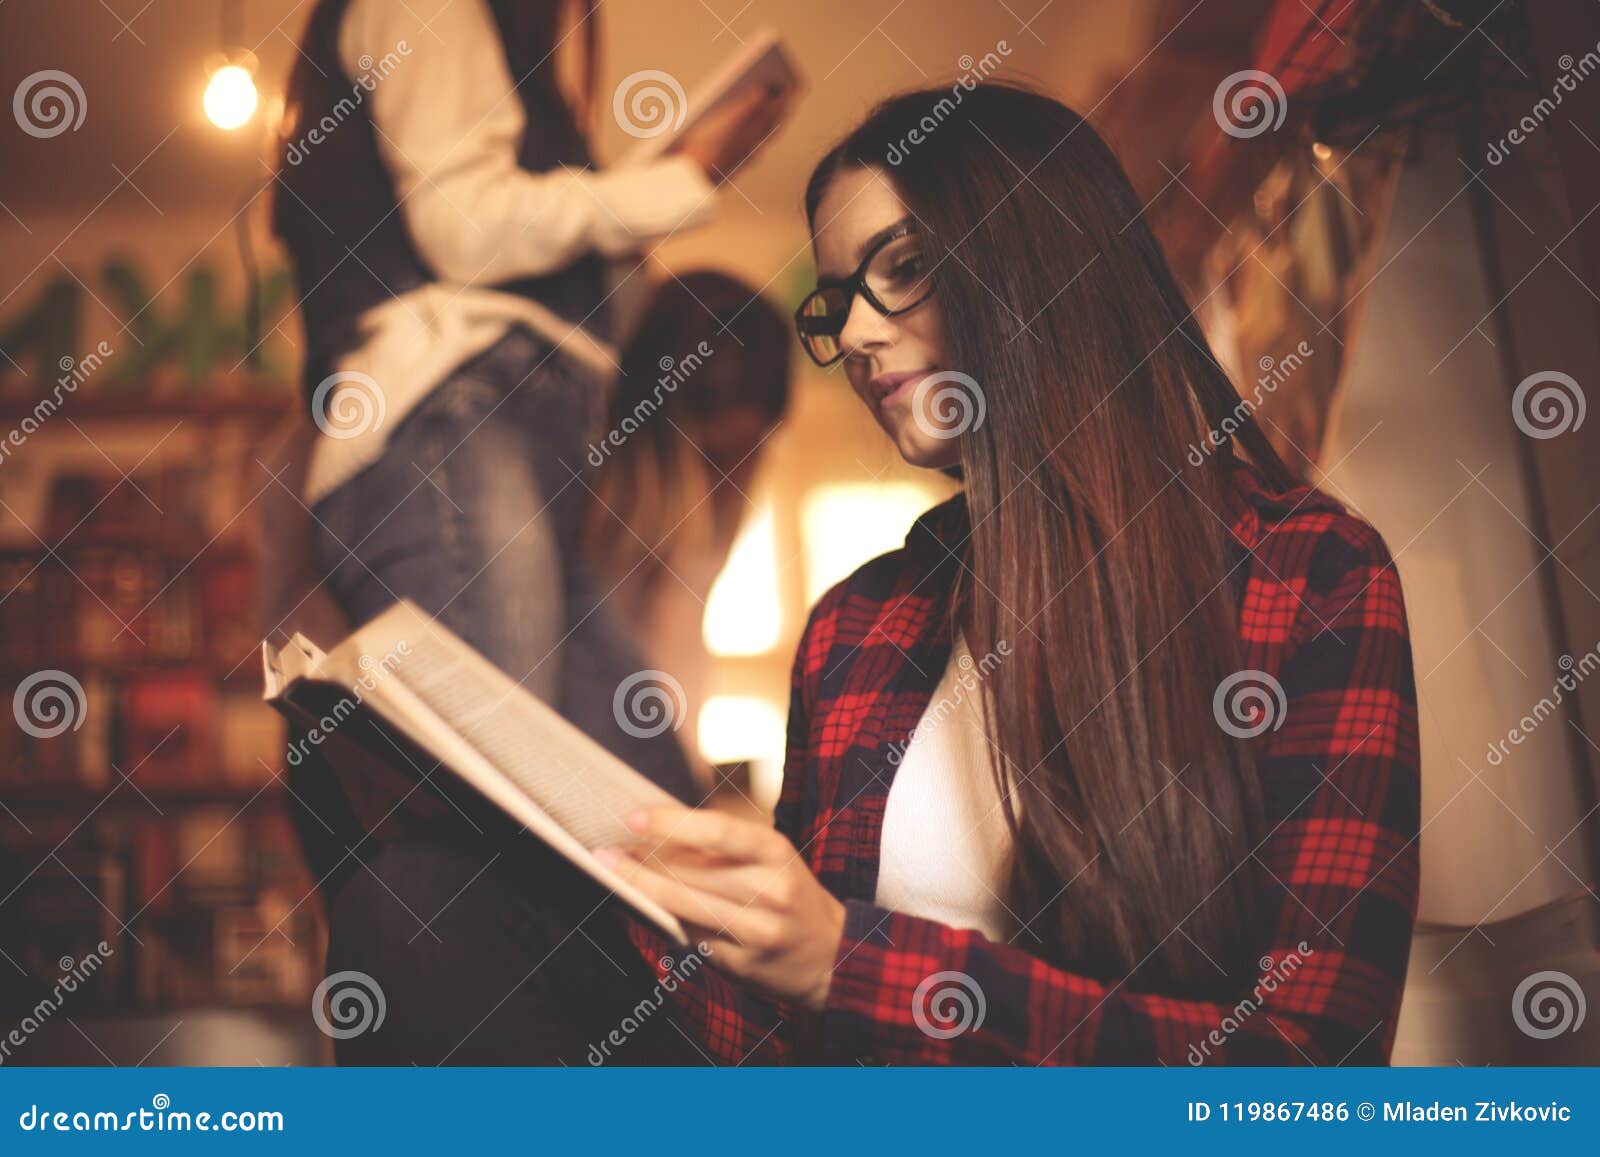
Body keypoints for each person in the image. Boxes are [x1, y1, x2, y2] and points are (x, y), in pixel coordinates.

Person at [325, 81, 1420, 1067]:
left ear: (1042, 262)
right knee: (421, 903)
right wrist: (624, 889)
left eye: (901, 268)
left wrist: (850, 964)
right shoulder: (858, 628)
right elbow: (779, 1028)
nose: (850, 330)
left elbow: (1310, 1064)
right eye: (835, 298)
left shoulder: (1310, 574)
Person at [271, 0, 788, 802]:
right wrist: (680, 178)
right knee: (508, 807)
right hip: (458, 424)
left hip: (514, 443)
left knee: (647, 804)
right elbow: (468, 227)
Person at [581, 272, 792, 790]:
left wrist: (688, 781)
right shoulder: (603, 490)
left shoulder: (716, 499)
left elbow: (682, 620)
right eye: (712, 448)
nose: (737, 456)